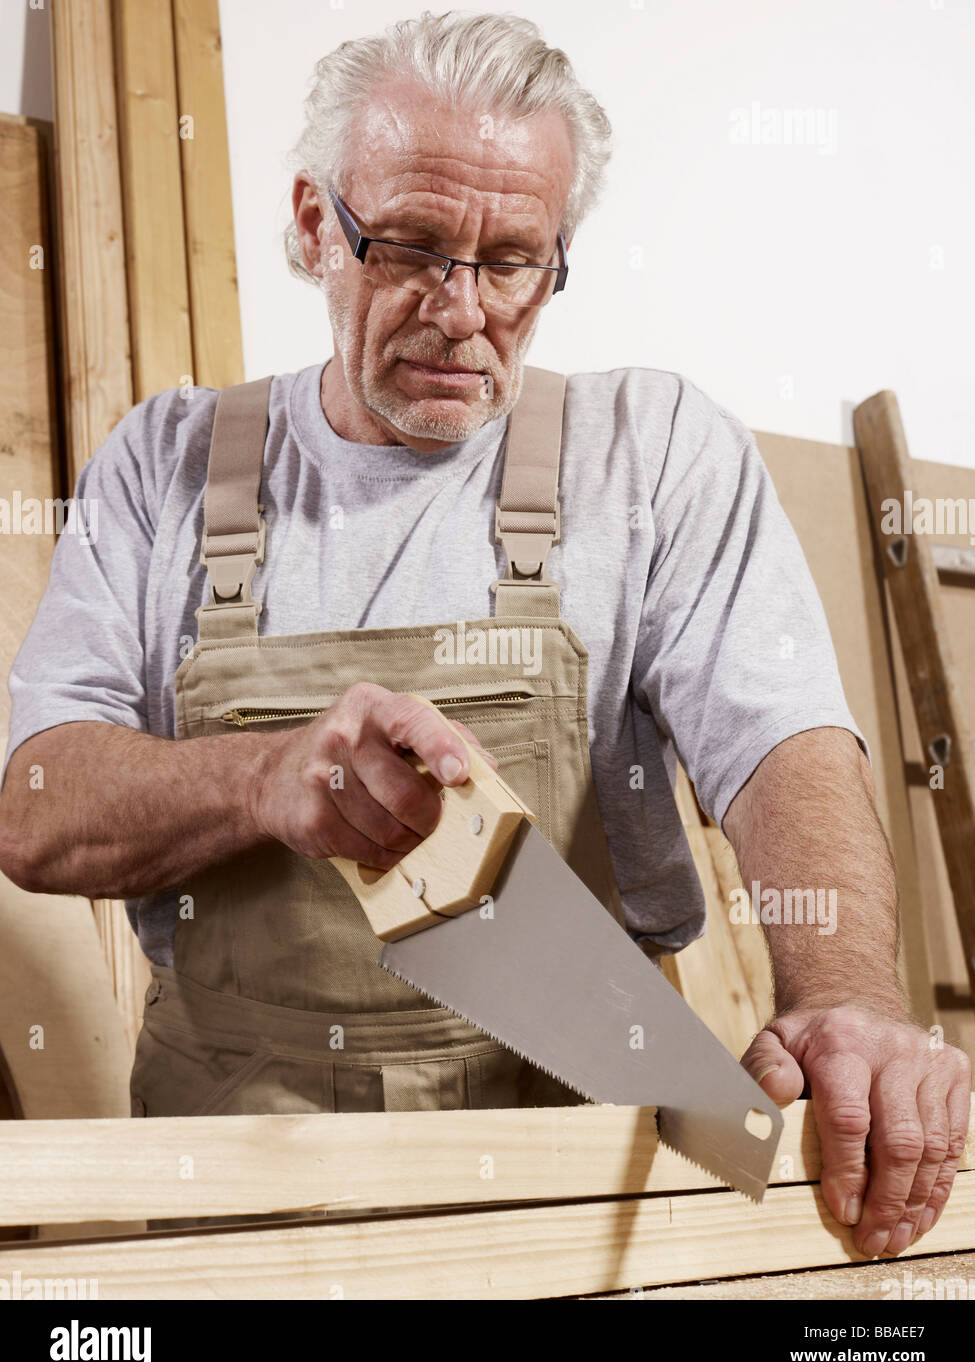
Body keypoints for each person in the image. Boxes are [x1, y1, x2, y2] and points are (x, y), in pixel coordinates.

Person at [0, 10, 968, 1260]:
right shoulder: (165, 463)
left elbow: (782, 740)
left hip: (583, 1166)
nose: (462, 311)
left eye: (514, 261)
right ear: (314, 226)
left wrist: (843, 999)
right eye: (409, 246)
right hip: (245, 1180)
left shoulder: (651, 453)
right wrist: (264, 775)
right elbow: (33, 801)